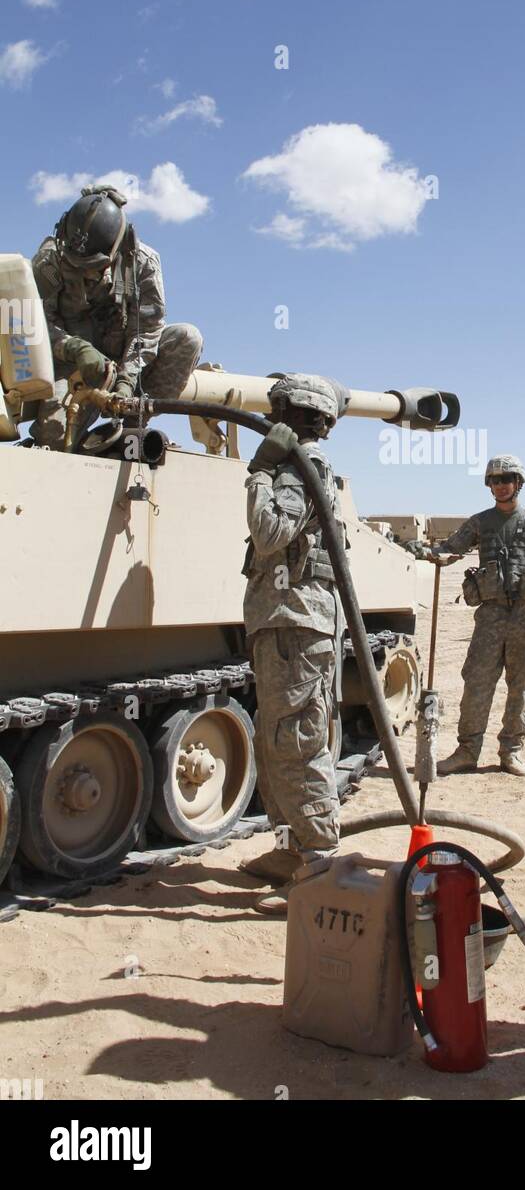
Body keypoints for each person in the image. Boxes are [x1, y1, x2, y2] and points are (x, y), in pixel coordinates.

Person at [240, 373, 345, 916]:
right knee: (274, 740)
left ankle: (321, 863)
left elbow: (269, 532)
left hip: (296, 623)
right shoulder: (294, 465)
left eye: (279, 407)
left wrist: (259, 469)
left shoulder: (299, 467)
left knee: (298, 743)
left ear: (298, 413)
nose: (271, 414)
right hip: (284, 621)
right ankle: (289, 853)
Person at [407, 455, 525, 777]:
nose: (500, 486)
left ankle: (512, 751)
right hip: (491, 617)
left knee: (522, 687)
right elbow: (450, 551)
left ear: (519, 482)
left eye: (506, 479)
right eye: (494, 480)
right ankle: (466, 751)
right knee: (477, 683)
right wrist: (425, 552)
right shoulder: (480, 522)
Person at [30, 184, 202, 449]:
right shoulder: (49, 261)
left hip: (126, 362)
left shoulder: (143, 264)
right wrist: (73, 347)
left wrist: (125, 381)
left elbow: (147, 329)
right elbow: (36, 323)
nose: (84, 273)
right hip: (73, 368)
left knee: (187, 338)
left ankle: (130, 427)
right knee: (53, 441)